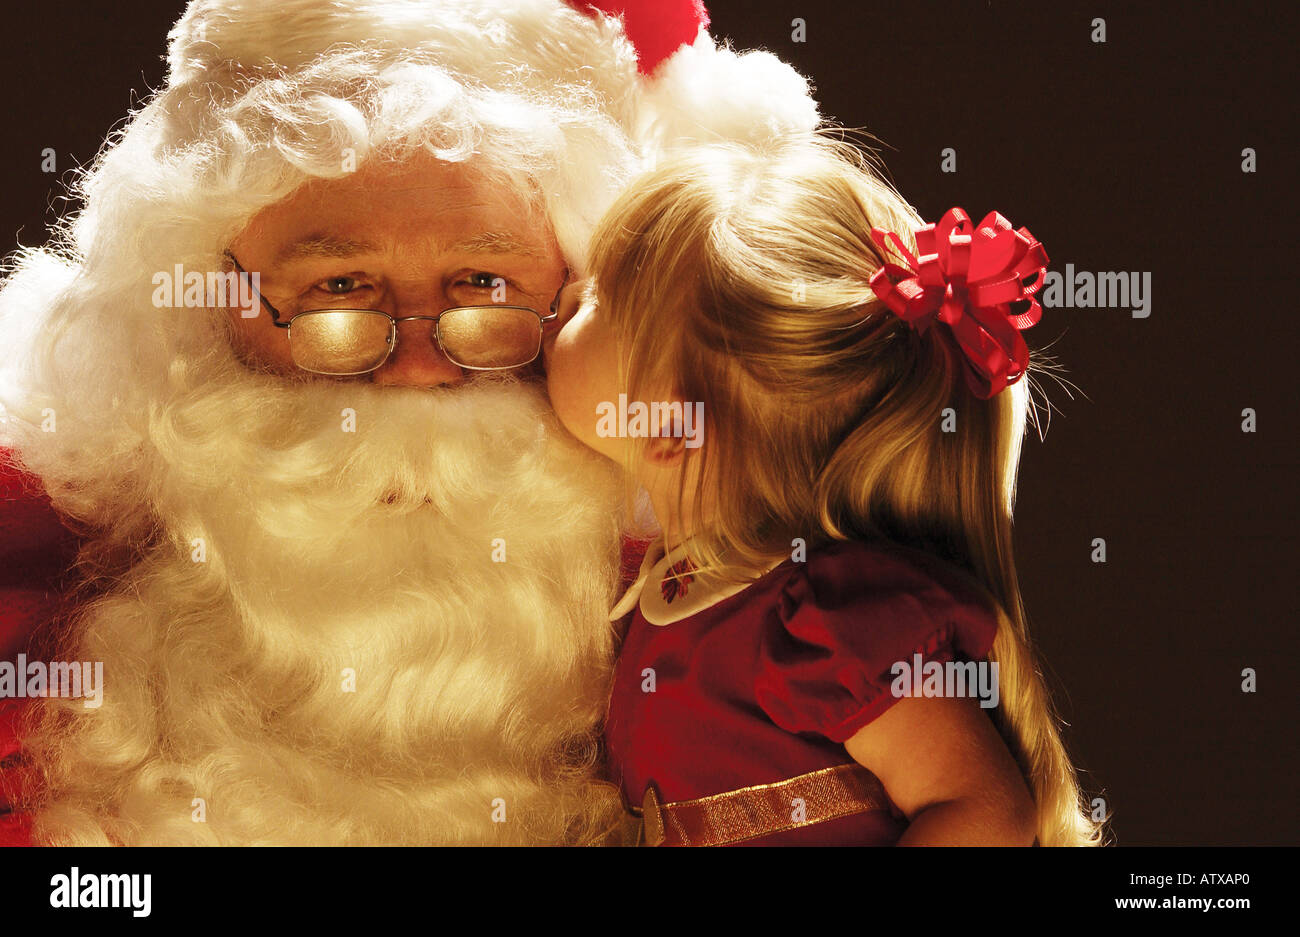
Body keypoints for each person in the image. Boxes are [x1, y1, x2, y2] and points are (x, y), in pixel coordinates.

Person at [0, 0, 820, 845]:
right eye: (341, 288)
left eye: (483, 285)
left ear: (579, 298)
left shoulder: (771, 629)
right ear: (198, 315)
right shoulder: (22, 612)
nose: (420, 370)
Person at [543, 132, 1105, 845]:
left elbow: (989, 811)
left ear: (671, 425)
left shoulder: (821, 622)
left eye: (602, 297)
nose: (567, 293)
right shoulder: (665, 588)